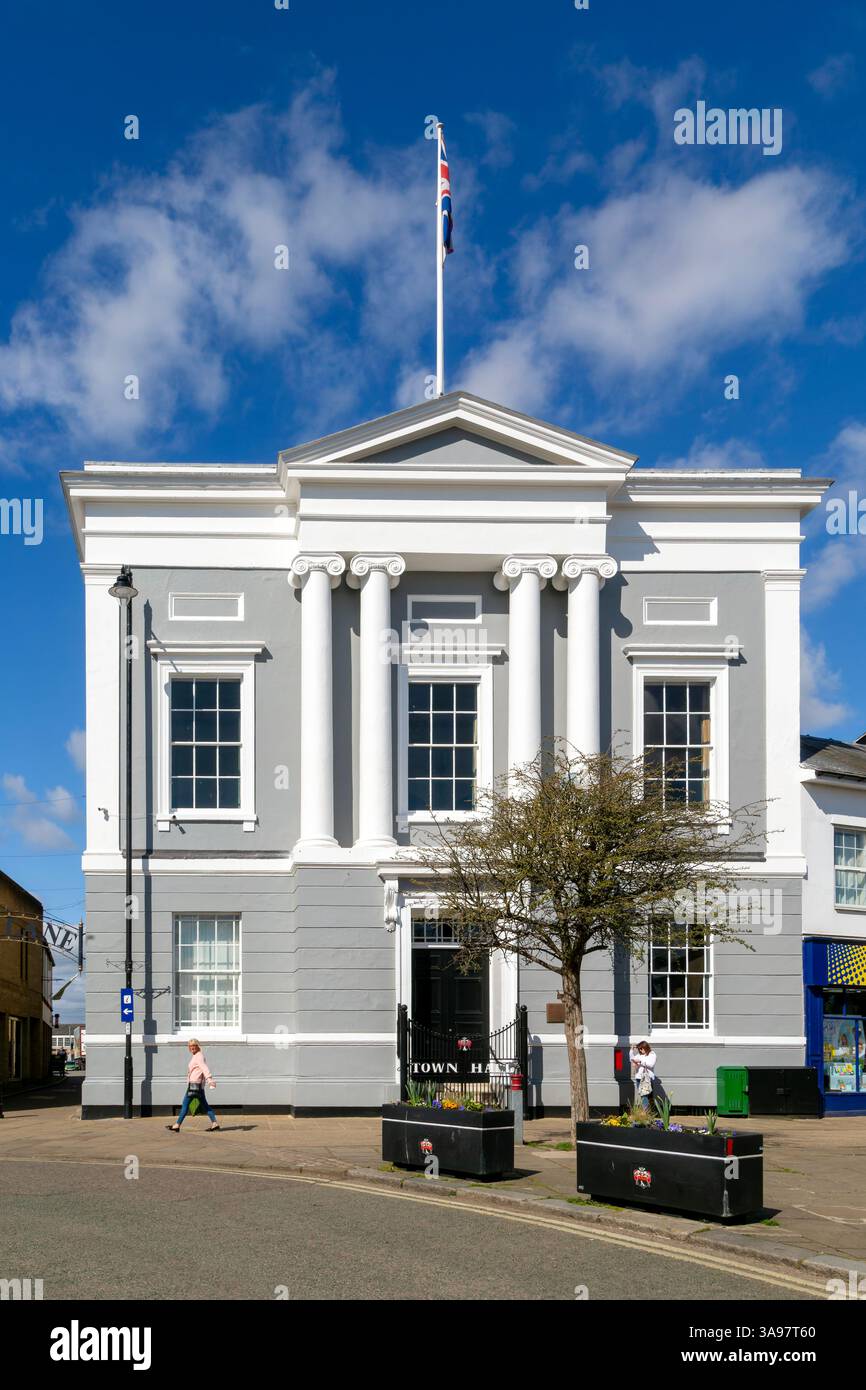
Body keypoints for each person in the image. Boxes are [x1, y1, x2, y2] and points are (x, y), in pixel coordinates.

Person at [167, 1039, 220, 1132]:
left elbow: (204, 1068)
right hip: (197, 1085)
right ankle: (214, 1123)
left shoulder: (198, 1056)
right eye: (190, 1046)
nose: (192, 1047)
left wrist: (210, 1080)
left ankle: (177, 1125)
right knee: (205, 1105)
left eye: (194, 1045)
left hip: (194, 1085)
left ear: (198, 1046)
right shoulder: (196, 1056)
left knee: (185, 1104)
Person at [629, 1040, 657, 1110]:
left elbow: (651, 1064)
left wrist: (640, 1062)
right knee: (643, 1095)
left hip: (646, 1077)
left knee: (644, 1095)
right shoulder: (640, 1055)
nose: (640, 1050)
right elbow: (632, 1059)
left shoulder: (652, 1054)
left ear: (645, 1047)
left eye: (641, 1048)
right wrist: (631, 1050)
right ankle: (648, 1112)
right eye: (639, 1049)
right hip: (639, 1077)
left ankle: (646, 1112)